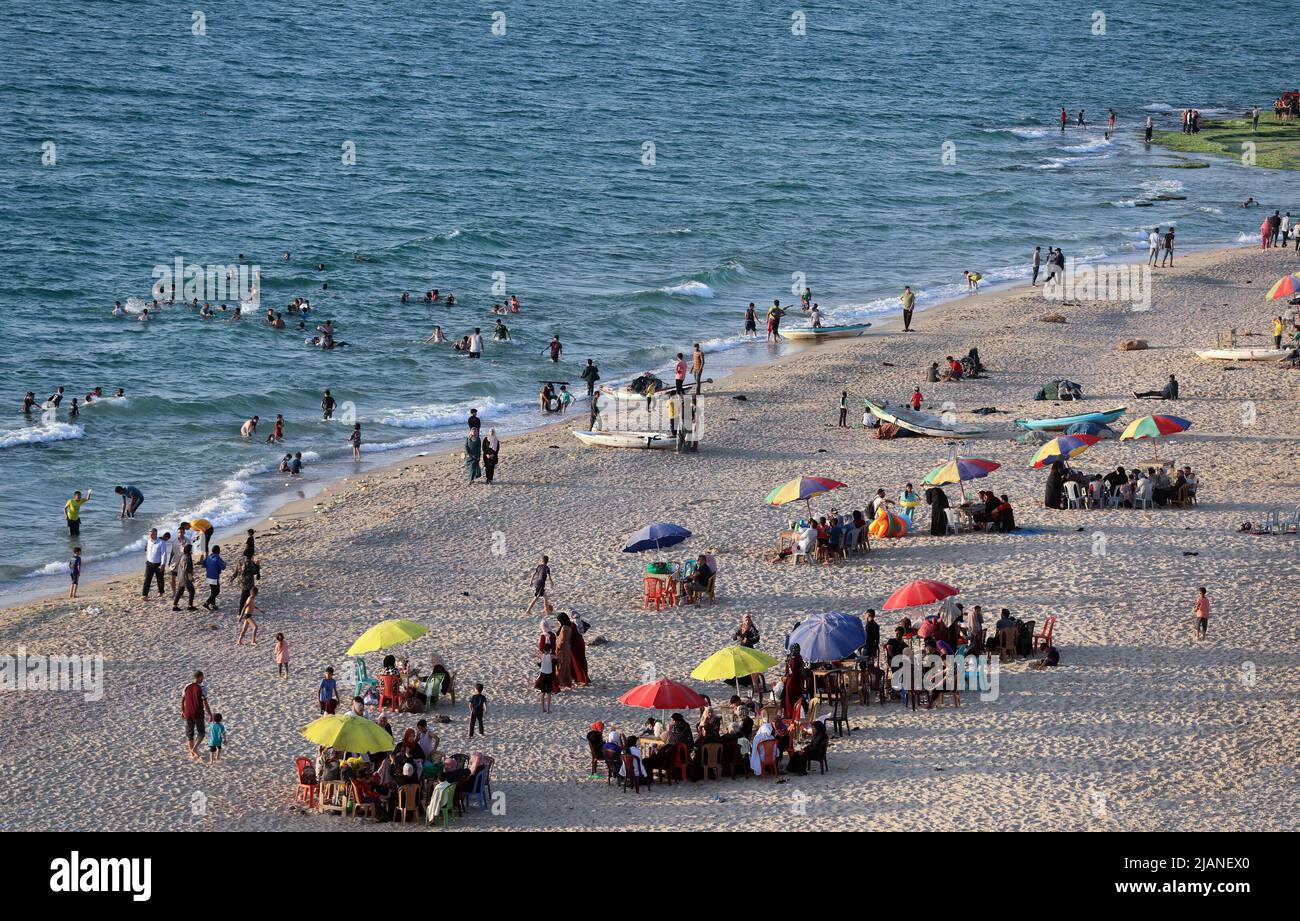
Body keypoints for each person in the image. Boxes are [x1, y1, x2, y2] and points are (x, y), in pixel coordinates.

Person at [182, 670, 214, 762]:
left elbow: (183, 700)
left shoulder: (186, 686)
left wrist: (183, 711)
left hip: (187, 712)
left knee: (190, 734)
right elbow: (205, 702)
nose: (203, 679)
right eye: (202, 677)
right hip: (198, 712)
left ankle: (192, 754)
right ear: (199, 677)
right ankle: (195, 748)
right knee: (201, 732)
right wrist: (210, 714)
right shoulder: (202, 688)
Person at [143, 528, 168, 599]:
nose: (151, 535)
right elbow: (147, 550)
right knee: (147, 579)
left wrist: (163, 564)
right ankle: (145, 595)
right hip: (149, 563)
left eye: (152, 534)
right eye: (150, 534)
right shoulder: (148, 541)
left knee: (160, 579)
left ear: (156, 534)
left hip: (158, 564)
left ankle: (161, 592)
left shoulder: (161, 542)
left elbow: (164, 554)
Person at [172, 543, 197, 611]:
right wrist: (191, 578)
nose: (192, 550)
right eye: (191, 549)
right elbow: (187, 570)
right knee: (192, 591)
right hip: (185, 578)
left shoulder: (183, 556)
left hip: (180, 577)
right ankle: (190, 606)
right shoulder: (187, 557)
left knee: (180, 591)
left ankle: (174, 605)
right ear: (189, 550)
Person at [782, 643, 805, 718]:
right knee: (792, 699)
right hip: (795, 681)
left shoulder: (794, 658)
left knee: (791, 700)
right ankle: (792, 715)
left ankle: (791, 716)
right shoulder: (797, 658)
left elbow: (791, 670)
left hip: (792, 681)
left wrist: (786, 676)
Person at [202, 545, 226, 610]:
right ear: (218, 551)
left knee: (213, 591)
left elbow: (203, 564)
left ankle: (213, 605)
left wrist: (209, 566)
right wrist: (224, 563)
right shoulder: (217, 558)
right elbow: (223, 567)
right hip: (214, 577)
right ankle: (207, 603)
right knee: (216, 592)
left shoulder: (208, 557)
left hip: (208, 576)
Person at [537, 638, 555, 713]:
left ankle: (542, 708)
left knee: (542, 692)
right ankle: (548, 709)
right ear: (550, 650)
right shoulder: (551, 656)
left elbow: (536, 655)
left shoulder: (541, 655)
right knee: (549, 693)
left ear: (544, 650)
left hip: (543, 674)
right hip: (549, 675)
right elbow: (557, 658)